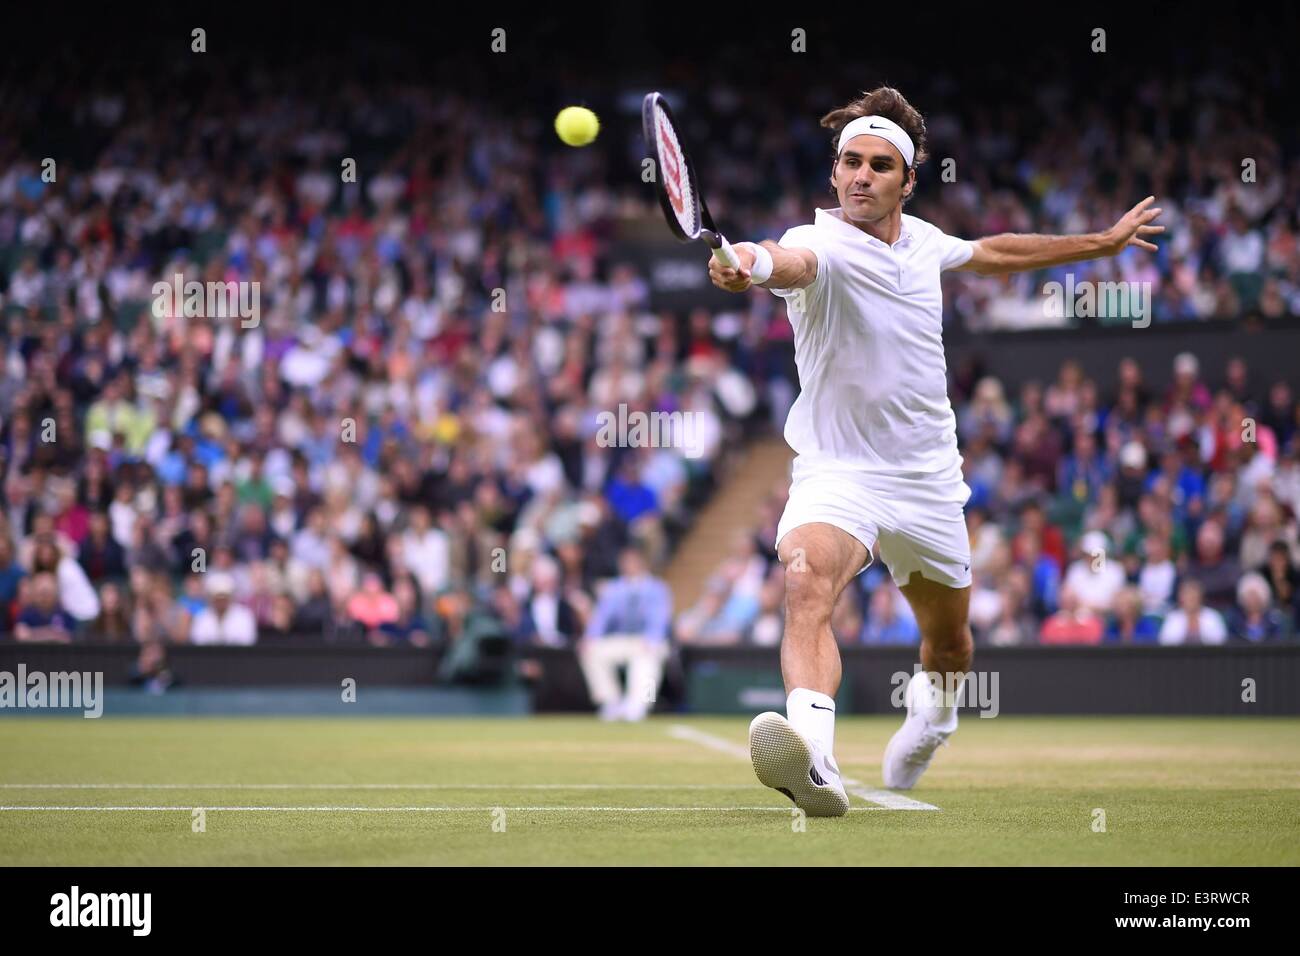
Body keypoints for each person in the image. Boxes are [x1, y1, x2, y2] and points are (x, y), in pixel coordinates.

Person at [709, 86, 1164, 815]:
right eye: (850, 162)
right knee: (805, 577)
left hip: (927, 480)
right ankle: (815, 760)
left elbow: (997, 252)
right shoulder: (818, 243)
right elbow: (782, 261)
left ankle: (933, 721)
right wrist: (747, 264)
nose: (861, 176)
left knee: (951, 648)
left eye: (879, 165)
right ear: (833, 172)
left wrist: (1100, 244)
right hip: (838, 472)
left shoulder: (925, 242)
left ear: (908, 181)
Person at [579, 545, 672, 721]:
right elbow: (601, 617)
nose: (629, 565)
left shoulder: (657, 588)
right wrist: (590, 638)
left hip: (648, 640)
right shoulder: (614, 588)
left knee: (649, 657)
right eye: (625, 562)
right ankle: (610, 702)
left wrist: (652, 639)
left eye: (632, 561)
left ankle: (641, 704)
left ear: (642, 563)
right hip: (622, 640)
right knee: (591, 651)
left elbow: (660, 619)